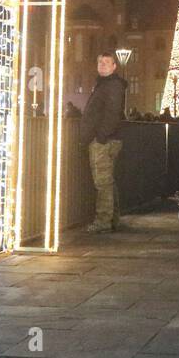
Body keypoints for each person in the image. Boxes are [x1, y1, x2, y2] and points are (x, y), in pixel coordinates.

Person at [79, 51, 127, 234]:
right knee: (108, 180)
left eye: (106, 62)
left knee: (102, 182)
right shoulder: (106, 84)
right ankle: (113, 218)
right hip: (108, 138)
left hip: (105, 140)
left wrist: (100, 136)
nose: (102, 65)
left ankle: (103, 221)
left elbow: (112, 113)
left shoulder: (112, 85)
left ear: (114, 66)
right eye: (100, 61)